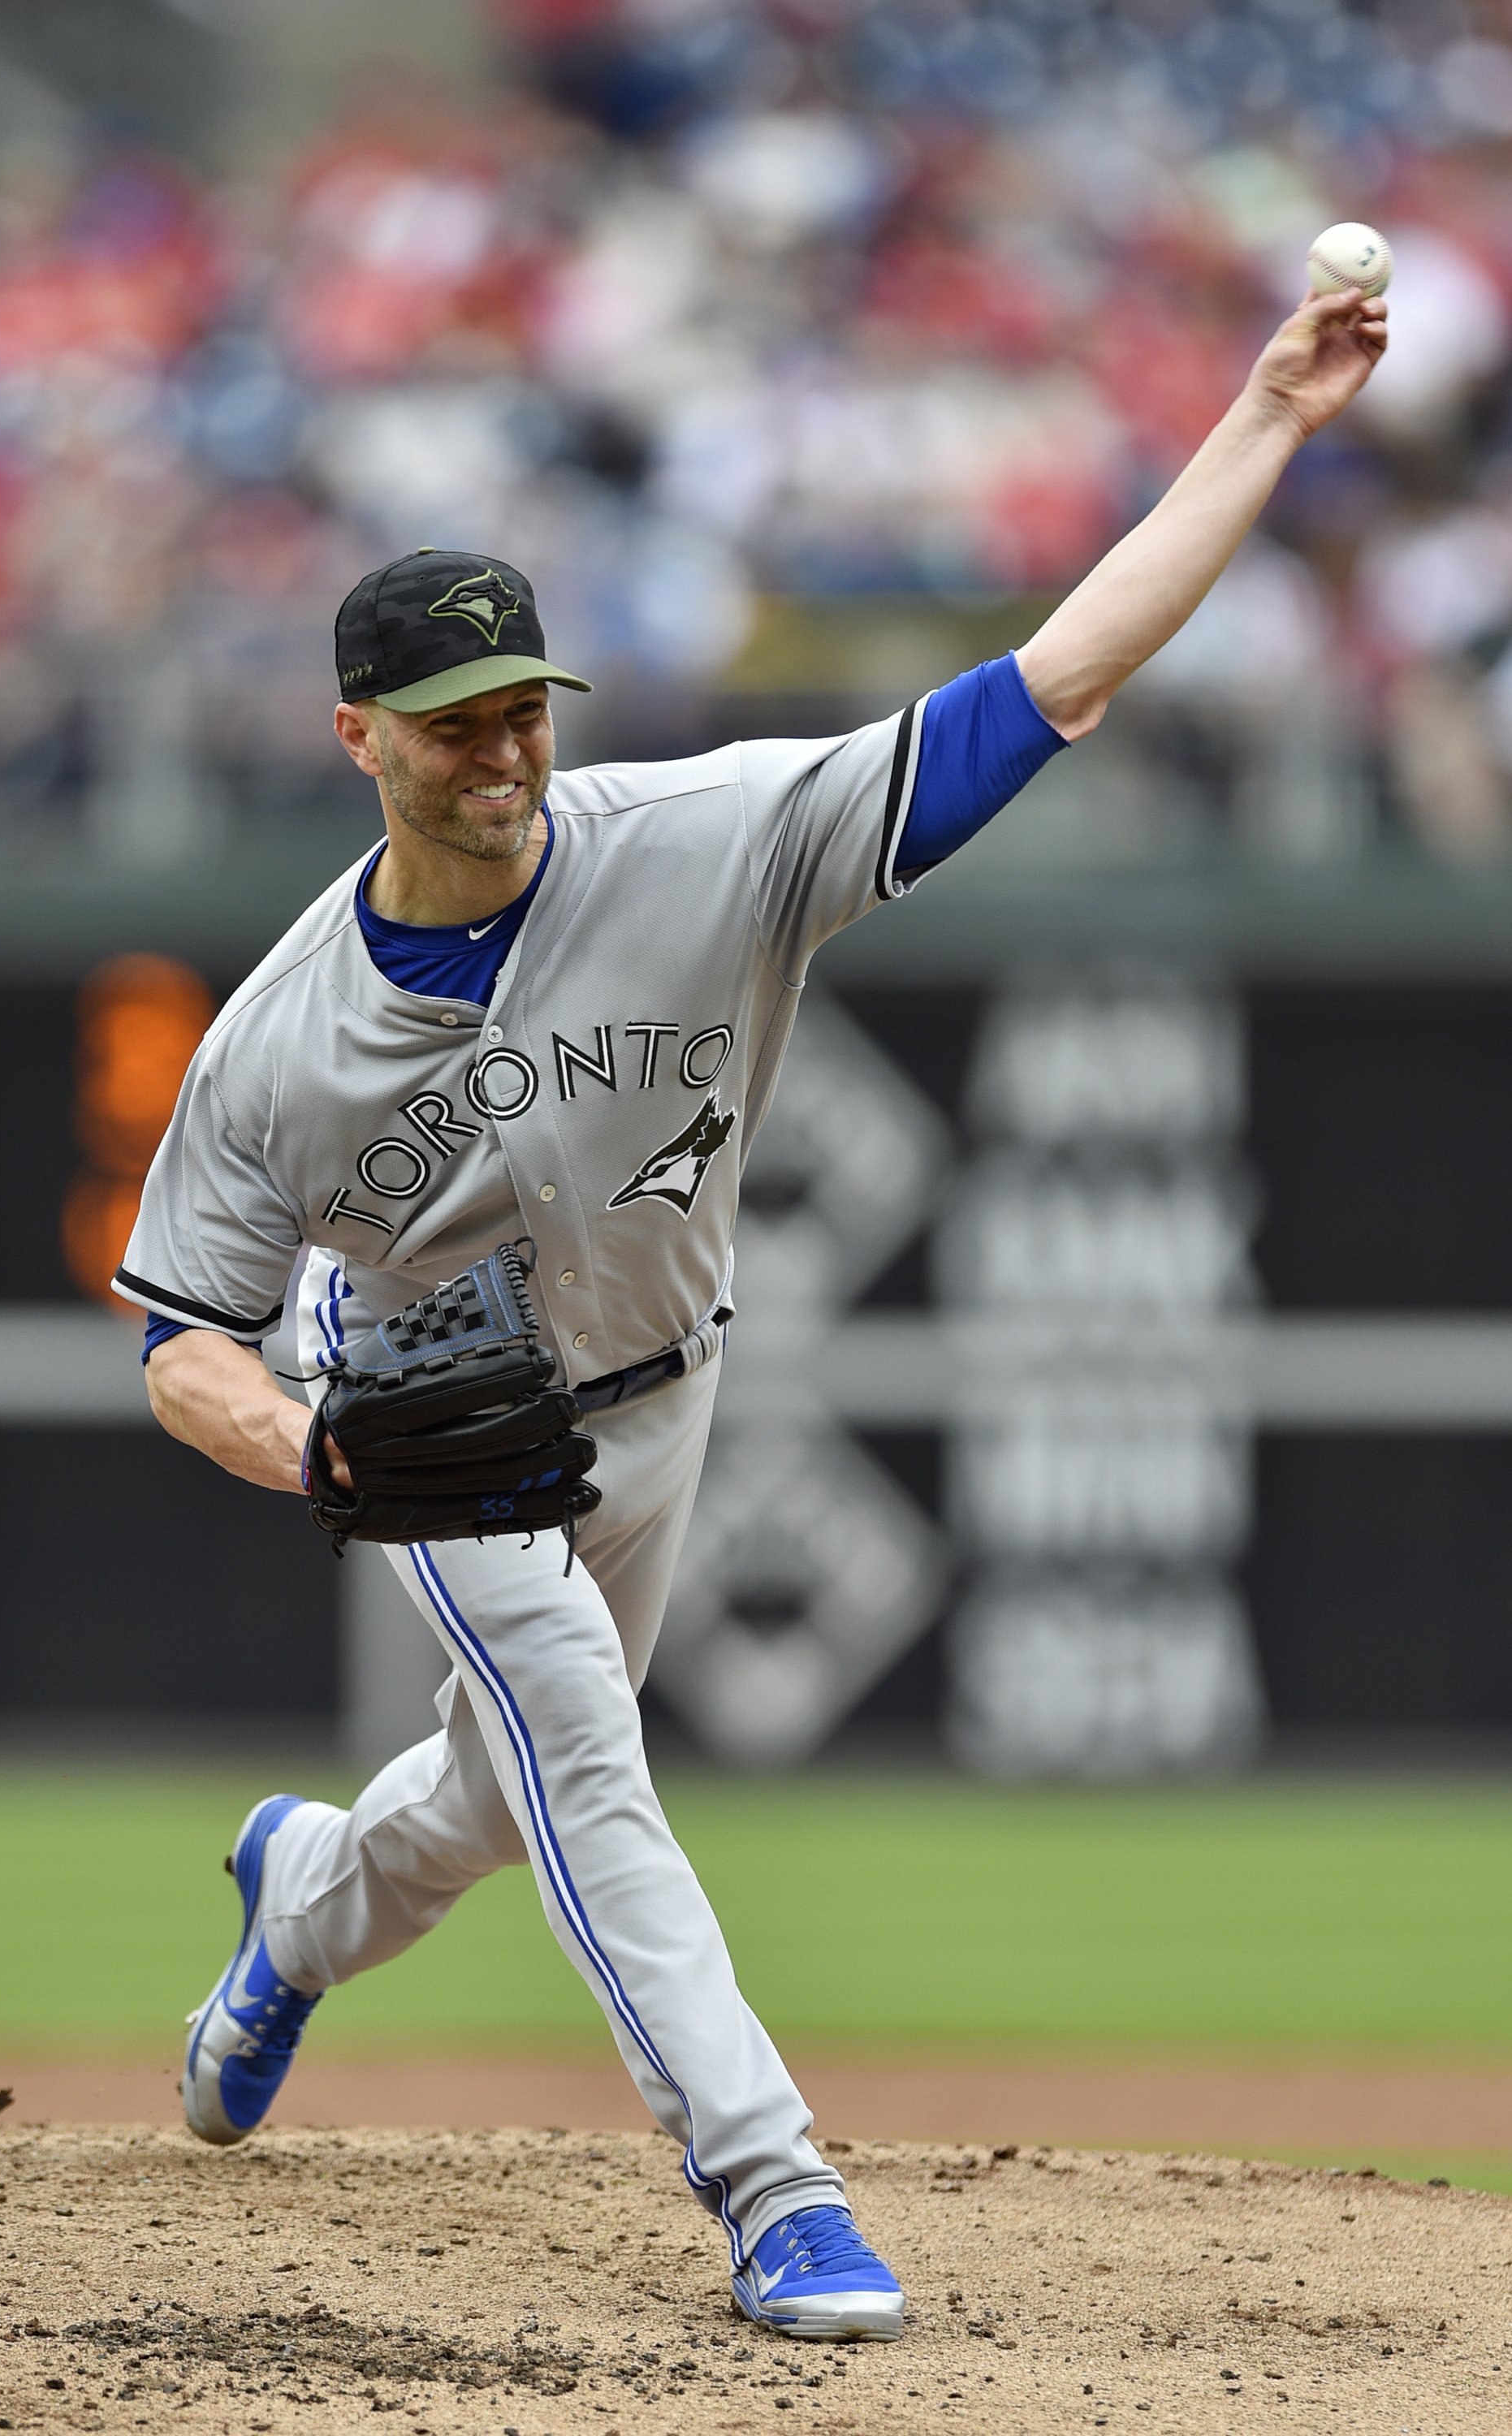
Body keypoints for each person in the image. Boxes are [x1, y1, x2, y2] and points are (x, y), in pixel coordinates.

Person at [119, 285, 1385, 2341]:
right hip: (433, 1415)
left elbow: (1056, 679)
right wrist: (318, 1449)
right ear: (359, 737)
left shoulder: (711, 840)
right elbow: (183, 1337)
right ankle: (776, 2188)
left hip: (667, 1389)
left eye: (522, 706)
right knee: (581, 1752)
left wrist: (1266, 414)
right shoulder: (277, 1042)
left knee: (499, 1792)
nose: (503, 751)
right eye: (452, 720)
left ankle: (302, 1906)